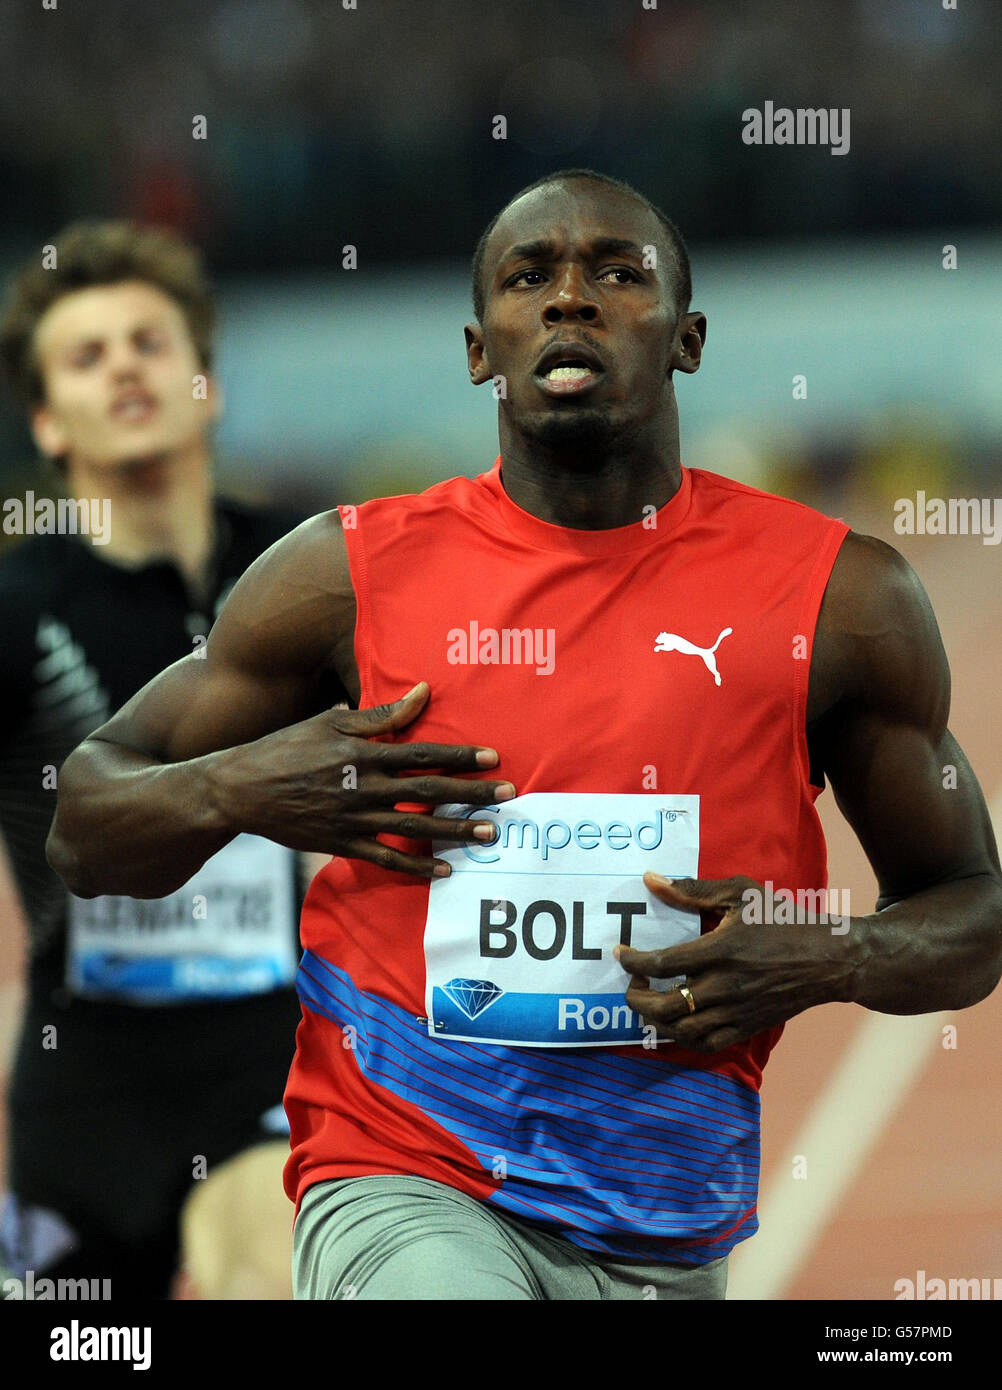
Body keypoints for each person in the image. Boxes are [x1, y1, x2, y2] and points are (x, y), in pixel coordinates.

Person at [45, 172, 1002, 1301]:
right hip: (402, 1171)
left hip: (666, 1215)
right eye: (530, 276)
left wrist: (827, 956)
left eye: (618, 273)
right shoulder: (345, 573)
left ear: (688, 339)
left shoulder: (844, 599)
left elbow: (971, 913)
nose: (571, 300)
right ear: (477, 348)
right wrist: (252, 787)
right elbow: (88, 816)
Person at [0, 222, 314, 1300]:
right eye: (87, 356)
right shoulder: (18, 610)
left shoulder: (307, 571)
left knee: (262, 1277)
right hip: (83, 1089)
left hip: (271, 1065)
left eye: (149, 341)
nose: (125, 365)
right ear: (47, 419)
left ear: (206, 386)